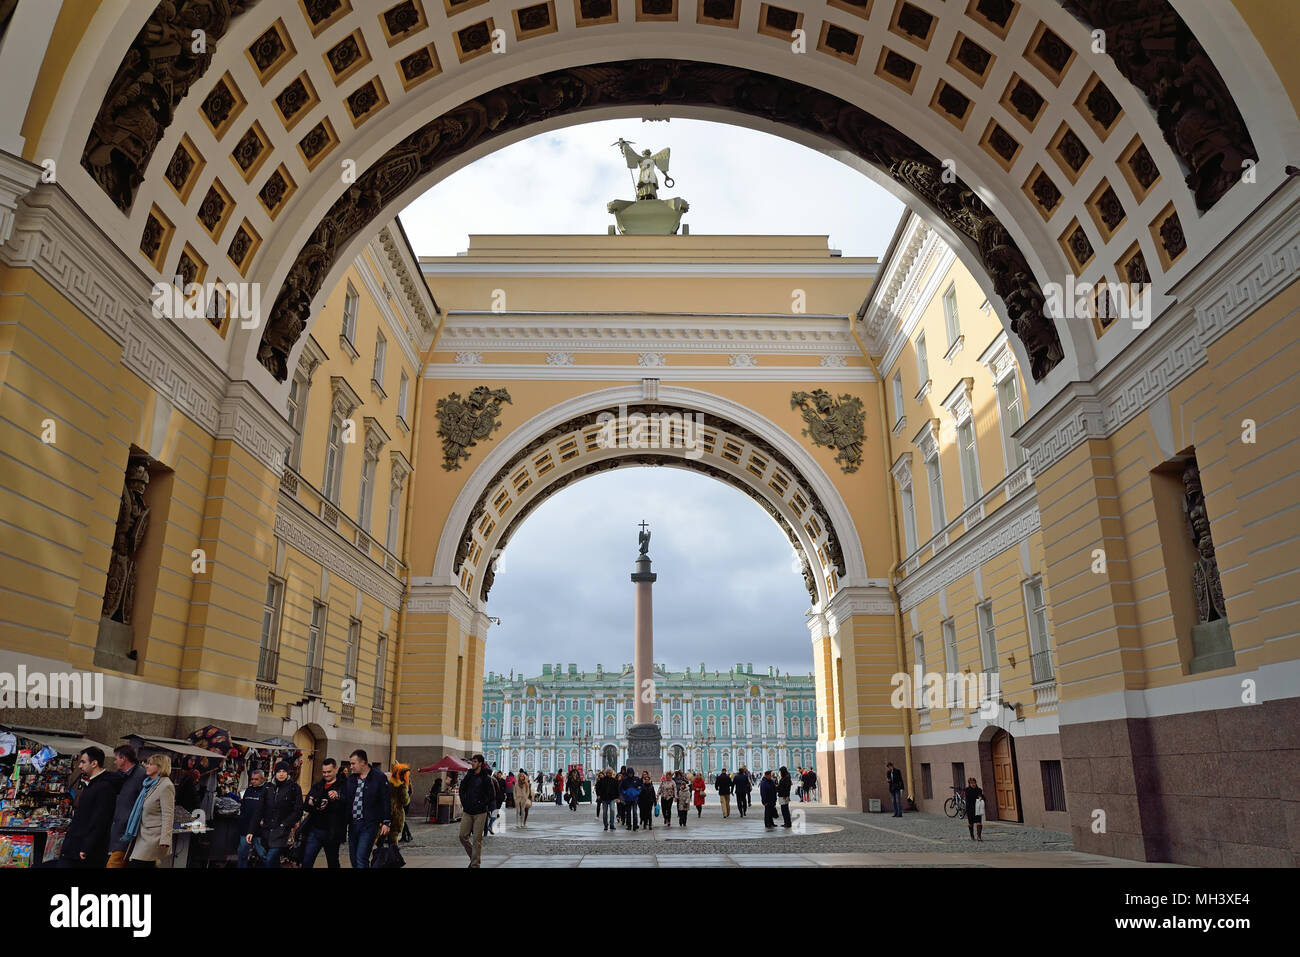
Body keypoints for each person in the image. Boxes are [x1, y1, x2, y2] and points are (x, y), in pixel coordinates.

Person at [60, 747, 118, 867]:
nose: (80, 766)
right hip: (78, 844)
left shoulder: (104, 786)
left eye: (83, 762)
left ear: (94, 763)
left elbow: (100, 819)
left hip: (86, 849)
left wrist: (87, 846)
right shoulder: (93, 784)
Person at [124, 753, 176, 867]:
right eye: (147, 763)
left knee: (139, 864)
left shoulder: (166, 786)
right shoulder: (148, 784)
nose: (146, 766)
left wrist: (165, 839)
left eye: (150, 764)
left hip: (153, 838)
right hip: (141, 834)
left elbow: (168, 814)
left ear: (160, 767)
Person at [343, 749, 391, 869]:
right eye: (350, 764)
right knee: (354, 859)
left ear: (363, 763)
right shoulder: (351, 779)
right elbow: (346, 797)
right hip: (353, 824)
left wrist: (386, 821)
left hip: (369, 824)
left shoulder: (378, 777)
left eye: (353, 764)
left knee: (361, 858)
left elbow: (386, 800)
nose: (351, 767)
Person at [301, 758, 347, 869]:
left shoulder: (343, 785)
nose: (326, 774)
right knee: (306, 861)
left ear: (335, 769)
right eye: (324, 772)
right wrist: (310, 802)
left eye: (329, 772)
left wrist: (338, 797)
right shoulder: (318, 785)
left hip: (332, 832)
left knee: (332, 862)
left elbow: (347, 804)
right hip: (315, 830)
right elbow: (306, 806)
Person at [257, 760, 303, 868]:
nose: (281, 774)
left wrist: (285, 823)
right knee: (272, 861)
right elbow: (260, 808)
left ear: (288, 773)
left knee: (269, 859)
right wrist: (260, 820)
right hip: (267, 829)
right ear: (275, 773)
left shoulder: (294, 788)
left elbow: (298, 810)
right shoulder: (268, 787)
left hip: (282, 831)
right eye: (279, 771)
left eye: (284, 771)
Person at [107, 745, 146, 868]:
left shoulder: (141, 775)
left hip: (128, 831)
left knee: (113, 864)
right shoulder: (119, 775)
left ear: (123, 758)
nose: (115, 761)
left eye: (116, 758)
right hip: (117, 829)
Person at [458, 754, 495, 868]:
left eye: (474, 761)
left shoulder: (486, 778)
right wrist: (464, 802)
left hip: (480, 812)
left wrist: (482, 804)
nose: (472, 763)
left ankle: (475, 864)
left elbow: (491, 795)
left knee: (477, 839)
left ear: (480, 763)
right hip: (468, 810)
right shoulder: (469, 776)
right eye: (472, 761)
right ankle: (474, 857)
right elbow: (461, 789)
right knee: (462, 836)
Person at [238, 769, 268, 868]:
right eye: (252, 779)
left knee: (262, 854)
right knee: (242, 853)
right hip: (245, 828)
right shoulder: (248, 790)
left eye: (256, 779)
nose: (253, 781)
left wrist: (264, 819)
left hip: (259, 829)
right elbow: (243, 806)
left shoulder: (267, 790)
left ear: (262, 779)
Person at [389, 763, 412, 844]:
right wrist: (407, 789)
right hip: (396, 813)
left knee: (382, 835)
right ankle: (393, 853)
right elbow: (405, 801)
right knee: (394, 834)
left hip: (386, 811)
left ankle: (381, 853)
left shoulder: (389, 783)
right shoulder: (401, 786)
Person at [964, 776, 985, 842]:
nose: (973, 784)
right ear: (969, 784)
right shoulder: (967, 790)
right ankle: (972, 835)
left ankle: (979, 836)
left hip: (978, 808)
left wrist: (981, 797)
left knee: (979, 823)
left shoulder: (979, 790)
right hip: (970, 808)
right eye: (971, 783)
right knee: (971, 823)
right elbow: (969, 798)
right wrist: (977, 796)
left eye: (974, 783)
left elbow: (983, 797)